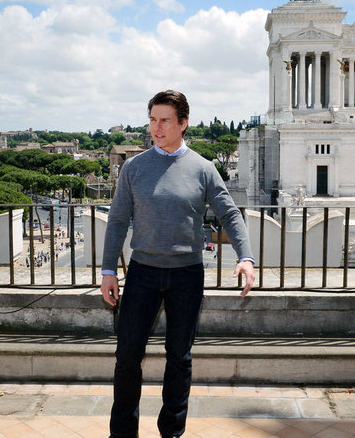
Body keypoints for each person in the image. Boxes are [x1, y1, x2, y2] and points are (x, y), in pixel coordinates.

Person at [100, 90, 256, 438]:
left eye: (164, 120)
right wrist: (108, 271)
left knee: (179, 359)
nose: (156, 127)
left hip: (187, 275)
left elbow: (229, 213)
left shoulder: (203, 169)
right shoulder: (133, 168)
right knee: (127, 357)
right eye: (152, 119)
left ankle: (171, 432)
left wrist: (245, 257)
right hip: (141, 273)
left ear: (183, 123)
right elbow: (116, 220)